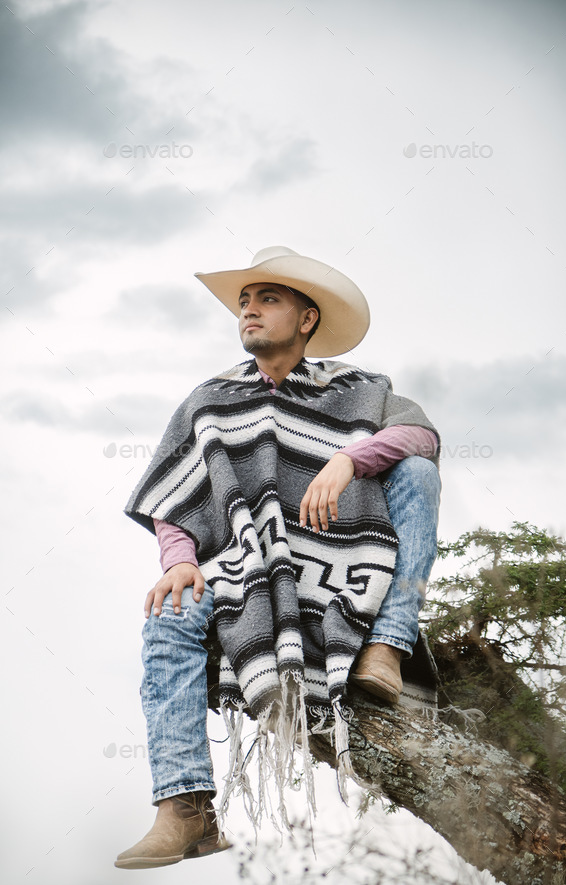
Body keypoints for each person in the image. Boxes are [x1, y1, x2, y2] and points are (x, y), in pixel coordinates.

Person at [115, 246, 441, 870]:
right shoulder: (210, 400)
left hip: (343, 557)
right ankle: (185, 809)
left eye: (268, 300)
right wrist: (178, 560)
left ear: (307, 319)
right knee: (170, 613)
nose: (249, 312)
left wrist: (349, 457)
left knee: (419, 473)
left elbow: (422, 436)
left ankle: (387, 648)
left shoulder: (361, 390)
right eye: (245, 301)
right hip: (245, 562)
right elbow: (174, 498)